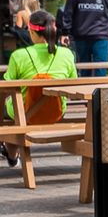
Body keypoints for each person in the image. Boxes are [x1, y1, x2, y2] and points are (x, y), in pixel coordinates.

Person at [3, 10, 78, 163]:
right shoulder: (66, 54)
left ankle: (11, 154)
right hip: (56, 112)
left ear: (31, 31)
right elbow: (73, 84)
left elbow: (6, 86)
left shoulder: (18, 56)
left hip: (23, 112)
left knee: (10, 110)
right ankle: (11, 154)